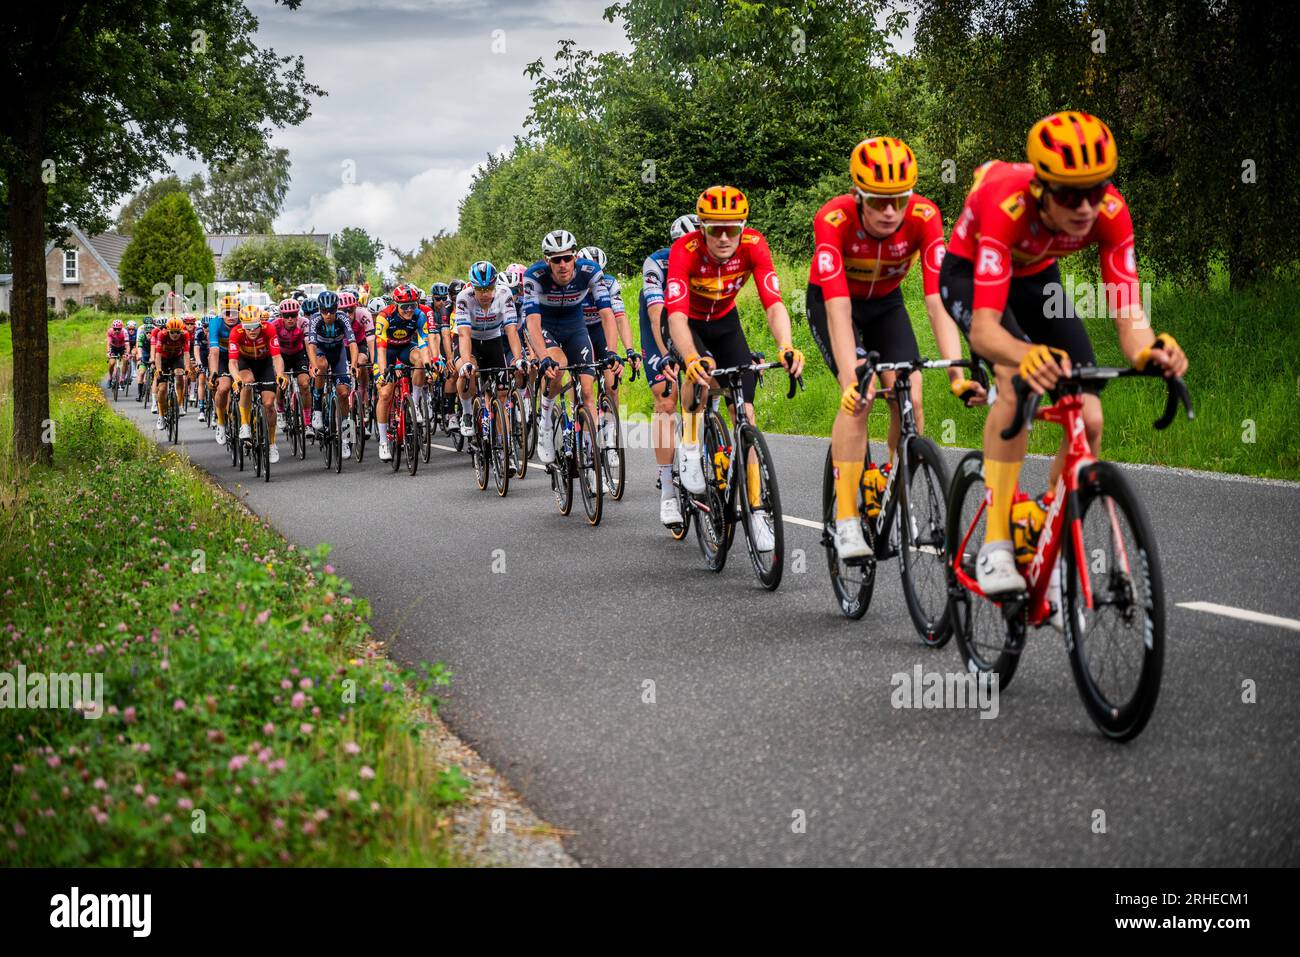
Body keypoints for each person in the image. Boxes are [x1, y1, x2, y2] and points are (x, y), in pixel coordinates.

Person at [938, 110, 1188, 597]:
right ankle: (995, 544)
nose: (1086, 207)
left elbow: (1129, 318)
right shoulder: (1006, 205)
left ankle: (1046, 524)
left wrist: (1152, 349)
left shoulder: (1111, 211)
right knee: (1014, 382)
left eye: (1096, 190)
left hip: (1036, 278)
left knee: (1089, 418)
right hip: (973, 275)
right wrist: (1023, 355)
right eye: (1071, 195)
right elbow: (988, 331)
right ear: (1041, 189)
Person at [808, 136, 977, 559]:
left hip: (886, 305)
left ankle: (889, 483)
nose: (889, 212)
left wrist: (957, 372)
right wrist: (851, 377)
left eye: (898, 201)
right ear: (858, 196)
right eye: (878, 202)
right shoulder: (833, 219)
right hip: (834, 302)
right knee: (860, 398)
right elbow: (837, 307)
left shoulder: (925, 216)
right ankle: (846, 518)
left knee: (912, 395)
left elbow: (937, 300)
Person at [665, 185, 804, 552]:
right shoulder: (686, 250)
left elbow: (773, 304)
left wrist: (785, 346)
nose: (725, 237)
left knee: (745, 411)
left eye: (733, 228)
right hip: (688, 324)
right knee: (702, 370)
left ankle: (757, 512)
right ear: (702, 227)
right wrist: (691, 358)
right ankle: (691, 446)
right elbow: (676, 316)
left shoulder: (754, 245)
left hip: (727, 324)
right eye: (715, 229)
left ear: (743, 226)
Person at [521, 230, 620, 468]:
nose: (563, 264)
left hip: (575, 327)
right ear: (547, 261)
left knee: (587, 393)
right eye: (556, 259)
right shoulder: (534, 276)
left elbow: (608, 315)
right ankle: (545, 421)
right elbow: (532, 320)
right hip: (546, 326)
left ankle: (590, 457)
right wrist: (543, 357)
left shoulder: (590, 272)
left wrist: (612, 352)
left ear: (575, 256)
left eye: (567, 257)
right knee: (558, 365)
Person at [640, 213, 698, 527]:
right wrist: (667, 357)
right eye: (682, 246)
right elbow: (656, 316)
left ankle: (702, 439)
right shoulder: (657, 265)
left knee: (711, 377)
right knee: (666, 398)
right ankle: (667, 491)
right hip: (660, 322)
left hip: (693, 319)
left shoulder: (708, 262)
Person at [578, 245, 640, 468]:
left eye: (601, 274)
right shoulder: (575, 284)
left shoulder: (611, 284)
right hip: (578, 331)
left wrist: (629, 349)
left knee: (612, 383)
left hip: (601, 330)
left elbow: (620, 318)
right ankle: (582, 432)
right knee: (585, 386)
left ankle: (611, 440)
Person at [453, 261, 525, 438]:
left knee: (501, 393)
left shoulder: (504, 293)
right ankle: (468, 413)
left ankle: (505, 446)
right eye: (480, 289)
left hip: (493, 339)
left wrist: (518, 358)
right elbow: (463, 335)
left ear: (495, 285)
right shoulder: (463, 298)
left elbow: (511, 330)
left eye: (489, 288)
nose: (485, 294)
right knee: (467, 371)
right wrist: (467, 363)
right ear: (472, 286)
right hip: (471, 339)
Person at [228, 305, 286, 463]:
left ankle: (272, 442)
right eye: (248, 327)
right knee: (247, 382)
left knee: (268, 404)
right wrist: (236, 378)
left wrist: (280, 374)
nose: (252, 330)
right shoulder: (236, 333)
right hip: (245, 362)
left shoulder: (269, 329)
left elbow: (276, 357)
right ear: (242, 325)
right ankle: (245, 424)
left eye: (255, 326)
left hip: (264, 363)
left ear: (260, 323)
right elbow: (232, 362)